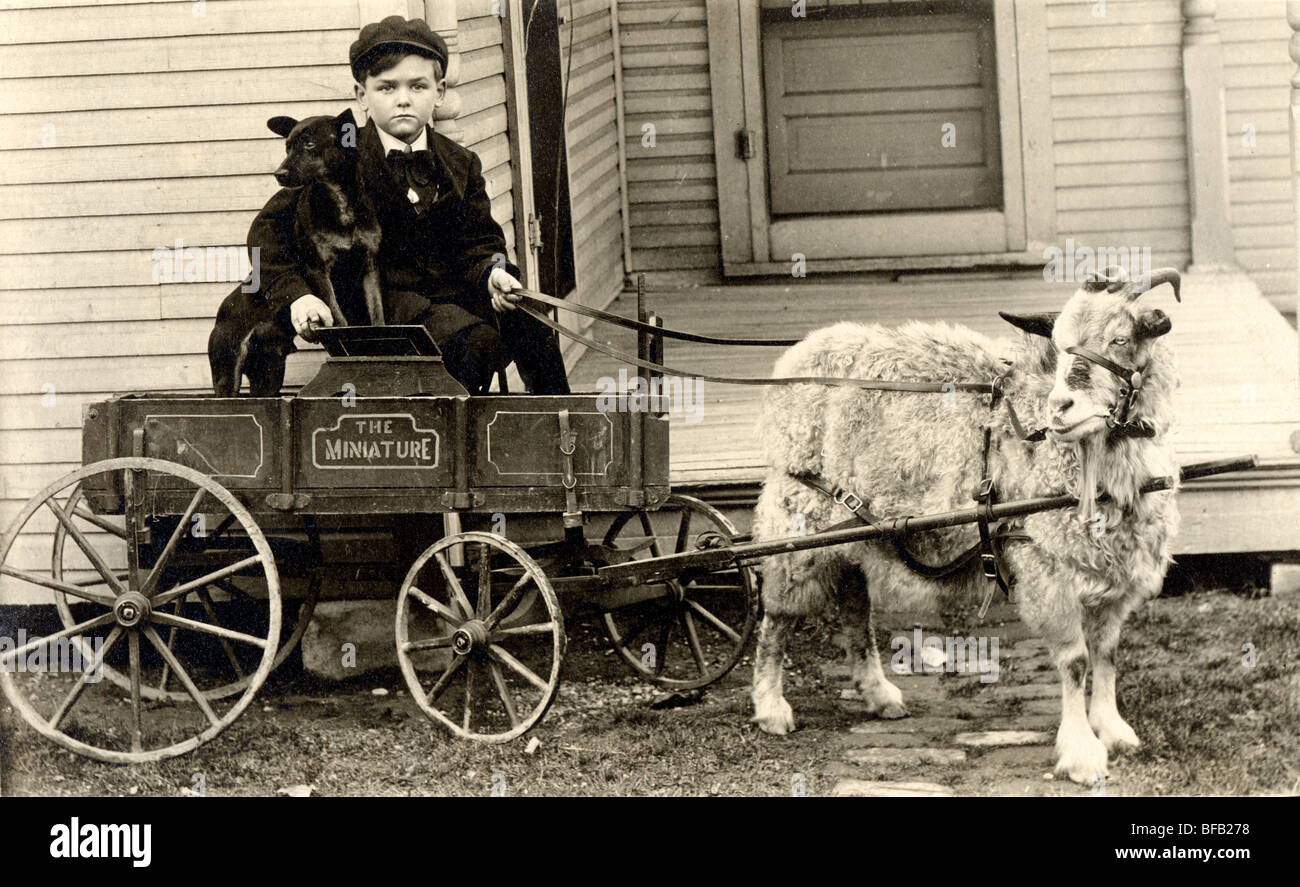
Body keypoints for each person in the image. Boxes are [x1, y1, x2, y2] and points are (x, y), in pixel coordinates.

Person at [249, 15, 570, 395]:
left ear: (440, 91)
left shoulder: (459, 162)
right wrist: (298, 296)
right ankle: (449, 444)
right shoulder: (340, 156)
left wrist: (493, 272)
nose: (403, 99)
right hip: (384, 309)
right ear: (361, 96)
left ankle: (559, 428)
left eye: (418, 85)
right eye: (386, 87)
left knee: (533, 321)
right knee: (476, 345)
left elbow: (481, 241)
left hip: (453, 297)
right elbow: (265, 235)